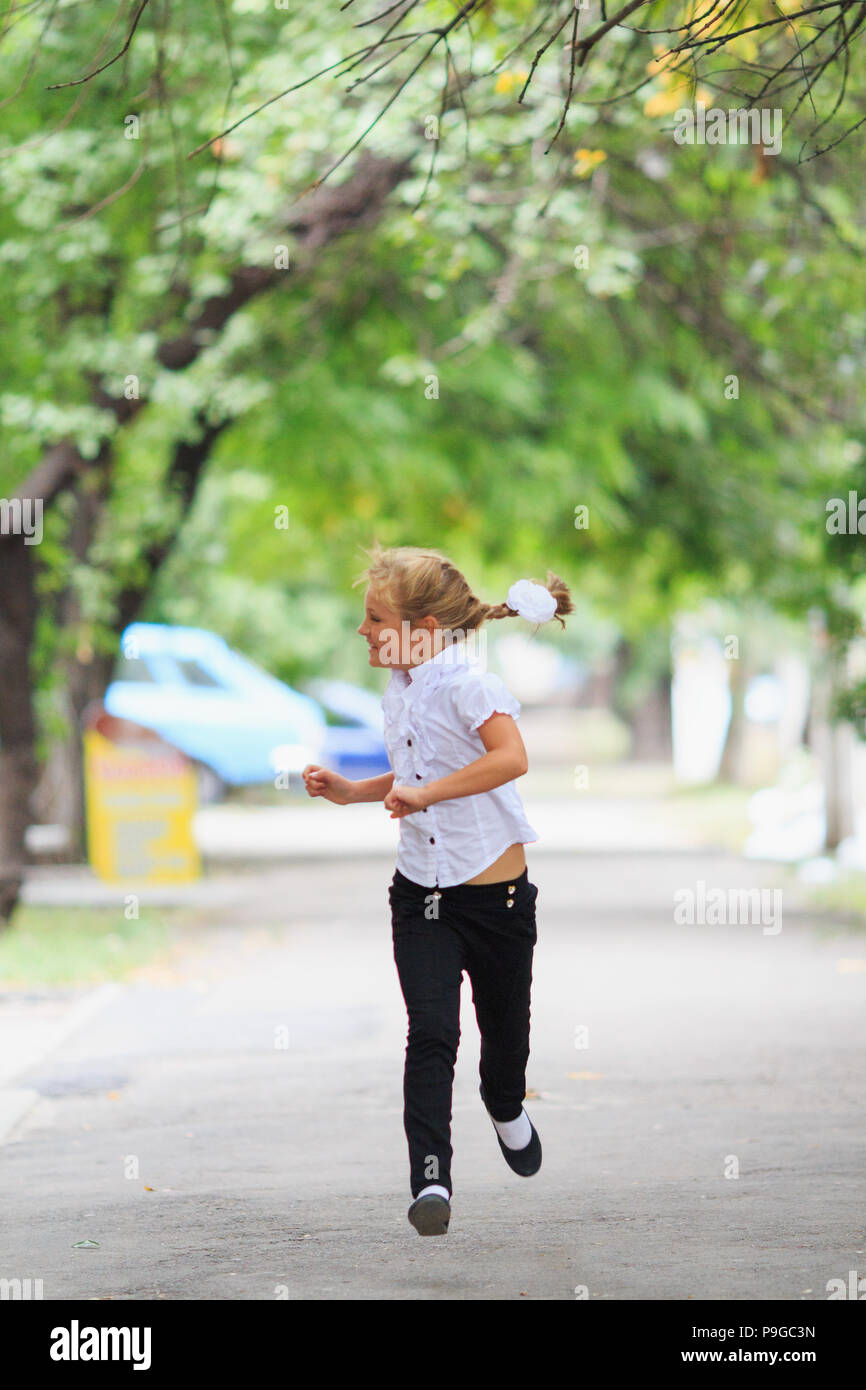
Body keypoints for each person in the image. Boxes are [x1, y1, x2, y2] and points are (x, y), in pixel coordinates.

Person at [303, 544, 573, 1236]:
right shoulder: (402, 689)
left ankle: (505, 1102)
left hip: (497, 901)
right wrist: (354, 792)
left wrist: (424, 795)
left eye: (374, 617)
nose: (362, 629)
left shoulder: (469, 686)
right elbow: (411, 780)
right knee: (430, 1033)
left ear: (421, 628)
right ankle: (432, 1181)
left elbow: (510, 758)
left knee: (504, 1037)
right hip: (420, 894)